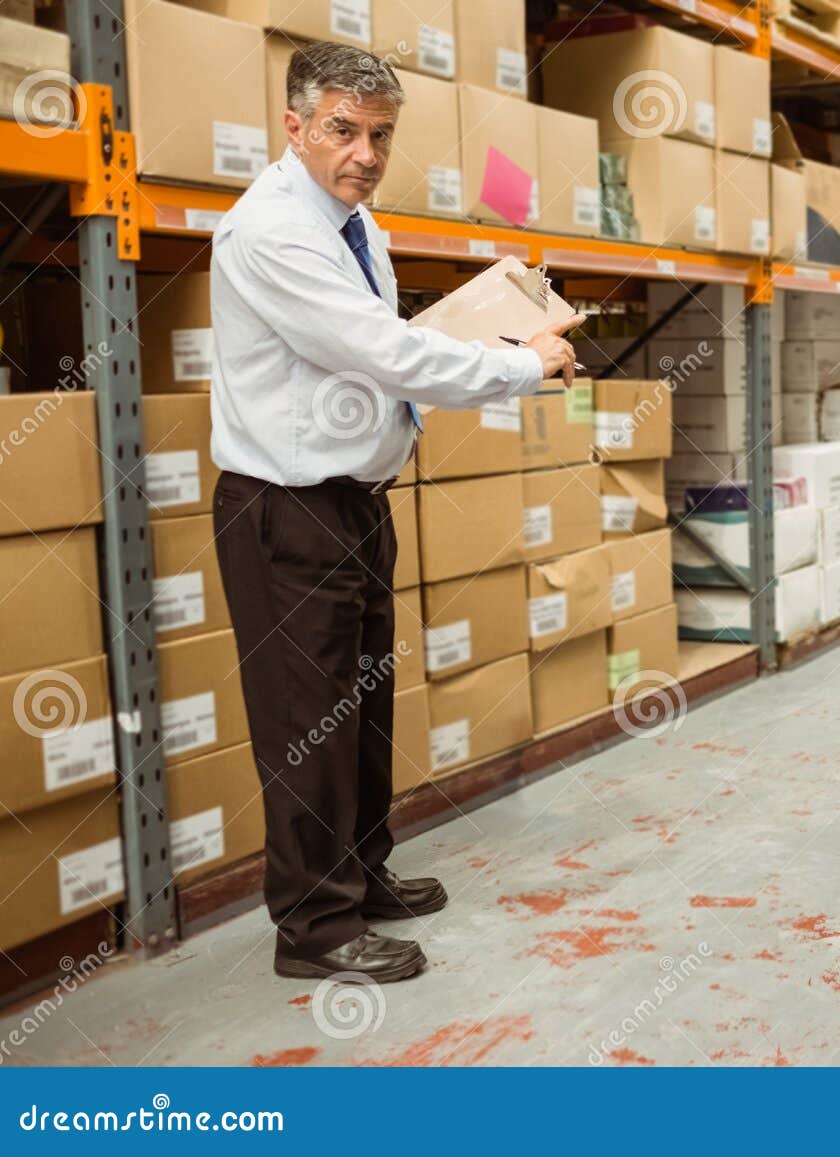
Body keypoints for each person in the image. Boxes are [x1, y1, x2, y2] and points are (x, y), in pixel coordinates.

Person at [208, 42, 581, 982]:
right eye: (343, 130)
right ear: (294, 127)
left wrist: (493, 325)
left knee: (361, 703)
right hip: (289, 511)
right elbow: (386, 355)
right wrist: (521, 366)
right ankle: (315, 928)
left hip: (356, 502)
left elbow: (396, 343)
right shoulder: (274, 232)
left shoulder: (355, 223)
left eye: (380, 135)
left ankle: (361, 871)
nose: (365, 152)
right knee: (309, 722)